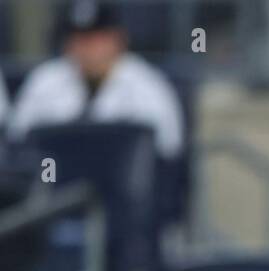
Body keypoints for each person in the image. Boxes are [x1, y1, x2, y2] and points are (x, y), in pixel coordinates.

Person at [7, 1, 184, 161]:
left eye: (96, 39)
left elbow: (169, 151)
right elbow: (17, 143)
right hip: (56, 191)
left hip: (124, 194)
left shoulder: (147, 85)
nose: (88, 49)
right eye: (80, 39)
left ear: (118, 39)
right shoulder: (44, 81)